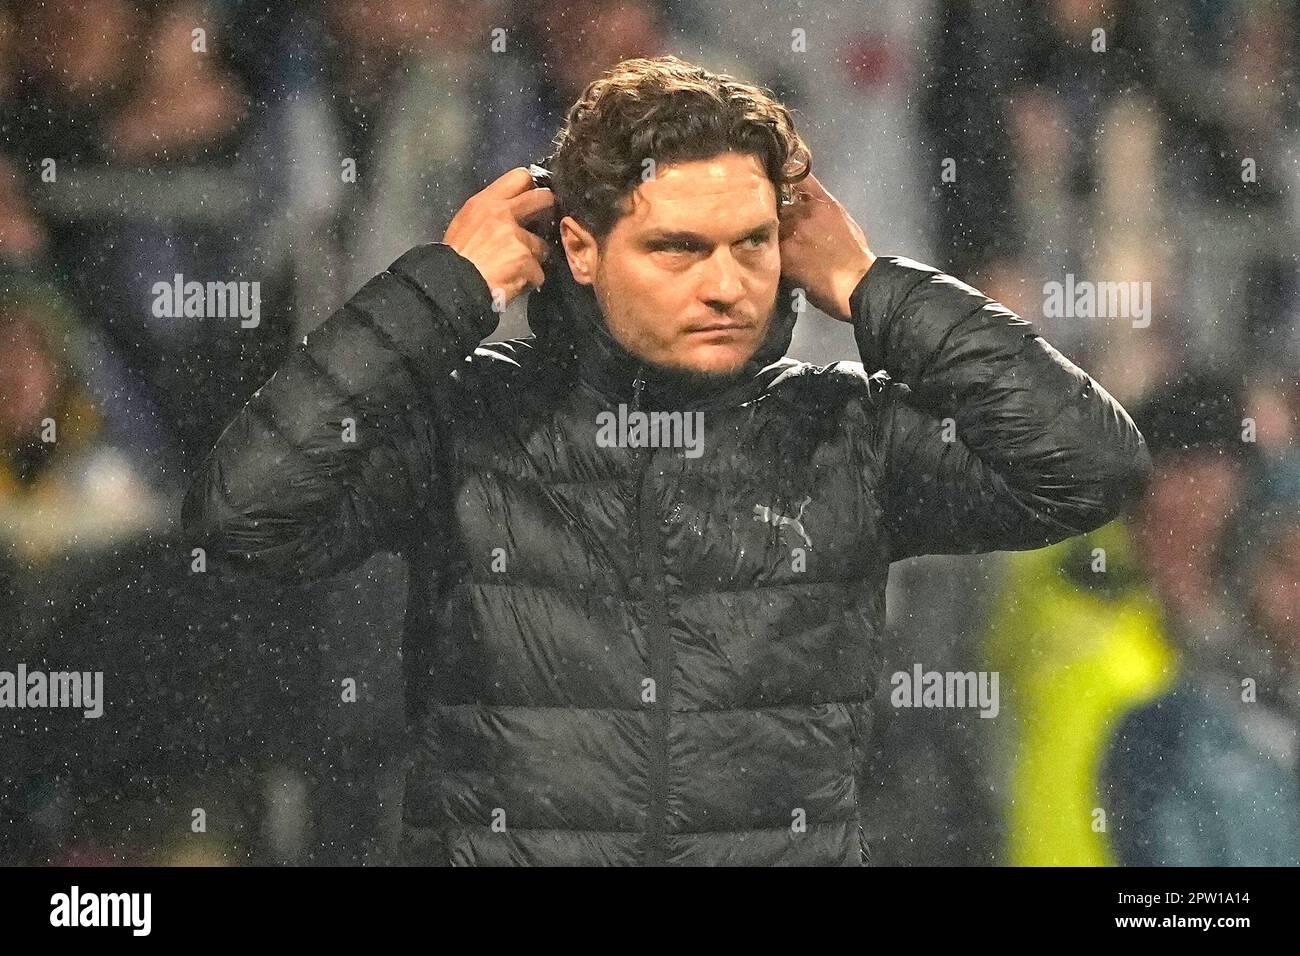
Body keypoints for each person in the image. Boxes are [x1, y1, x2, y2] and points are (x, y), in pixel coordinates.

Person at [183, 55, 1151, 866]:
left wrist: (872, 286)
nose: (726, 285)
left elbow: (1092, 466)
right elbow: (242, 515)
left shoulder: (842, 429)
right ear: (580, 247)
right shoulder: (466, 419)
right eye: (679, 248)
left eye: (752, 243)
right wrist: (442, 290)